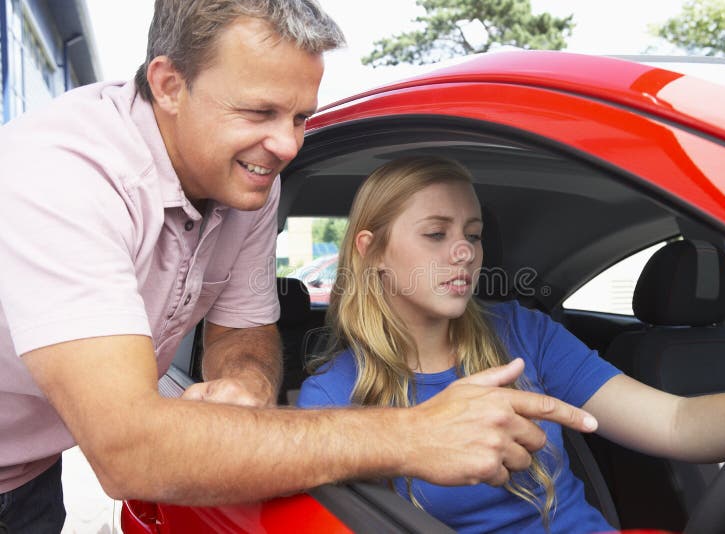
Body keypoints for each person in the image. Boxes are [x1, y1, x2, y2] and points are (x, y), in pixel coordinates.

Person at [0, 2, 599, 531]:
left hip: (30, 470)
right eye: (259, 111)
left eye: (300, 117)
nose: (287, 146)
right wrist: (416, 434)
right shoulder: (61, 178)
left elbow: (242, 328)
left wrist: (249, 385)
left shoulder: (245, 179)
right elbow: (130, 452)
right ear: (169, 84)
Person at [296, 156, 725, 533]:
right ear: (372, 252)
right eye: (435, 234)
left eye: (474, 233)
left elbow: (677, 423)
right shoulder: (334, 395)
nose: (465, 251)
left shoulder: (521, 332)